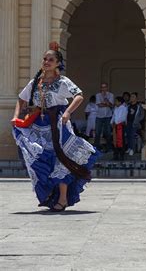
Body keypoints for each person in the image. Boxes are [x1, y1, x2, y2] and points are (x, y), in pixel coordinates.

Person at [11, 42, 99, 212]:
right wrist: (16, 117)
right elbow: (21, 98)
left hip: (57, 123)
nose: (46, 62)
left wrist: (67, 113)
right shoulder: (36, 82)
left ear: (58, 63)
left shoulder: (63, 82)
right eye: (45, 59)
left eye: (50, 59)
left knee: (61, 158)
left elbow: (79, 96)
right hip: (39, 124)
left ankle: (63, 199)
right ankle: (51, 195)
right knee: (42, 157)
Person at [94, 83, 114, 152]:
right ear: (101, 88)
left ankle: (109, 148)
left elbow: (111, 105)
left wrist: (106, 102)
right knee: (97, 132)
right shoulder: (98, 95)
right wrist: (107, 104)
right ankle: (96, 147)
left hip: (108, 116)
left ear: (107, 88)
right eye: (102, 87)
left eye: (105, 87)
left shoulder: (111, 95)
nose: (104, 88)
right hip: (99, 116)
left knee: (108, 132)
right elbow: (99, 105)